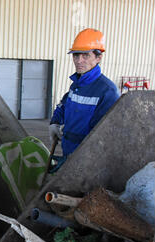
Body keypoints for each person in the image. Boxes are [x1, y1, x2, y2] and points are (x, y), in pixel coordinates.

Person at [49, 28, 120, 172]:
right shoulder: (76, 85)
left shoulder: (108, 91)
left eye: (86, 55)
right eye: (76, 55)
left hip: (88, 162)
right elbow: (64, 105)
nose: (79, 61)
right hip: (68, 154)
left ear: (98, 58)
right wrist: (55, 122)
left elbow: (104, 135)